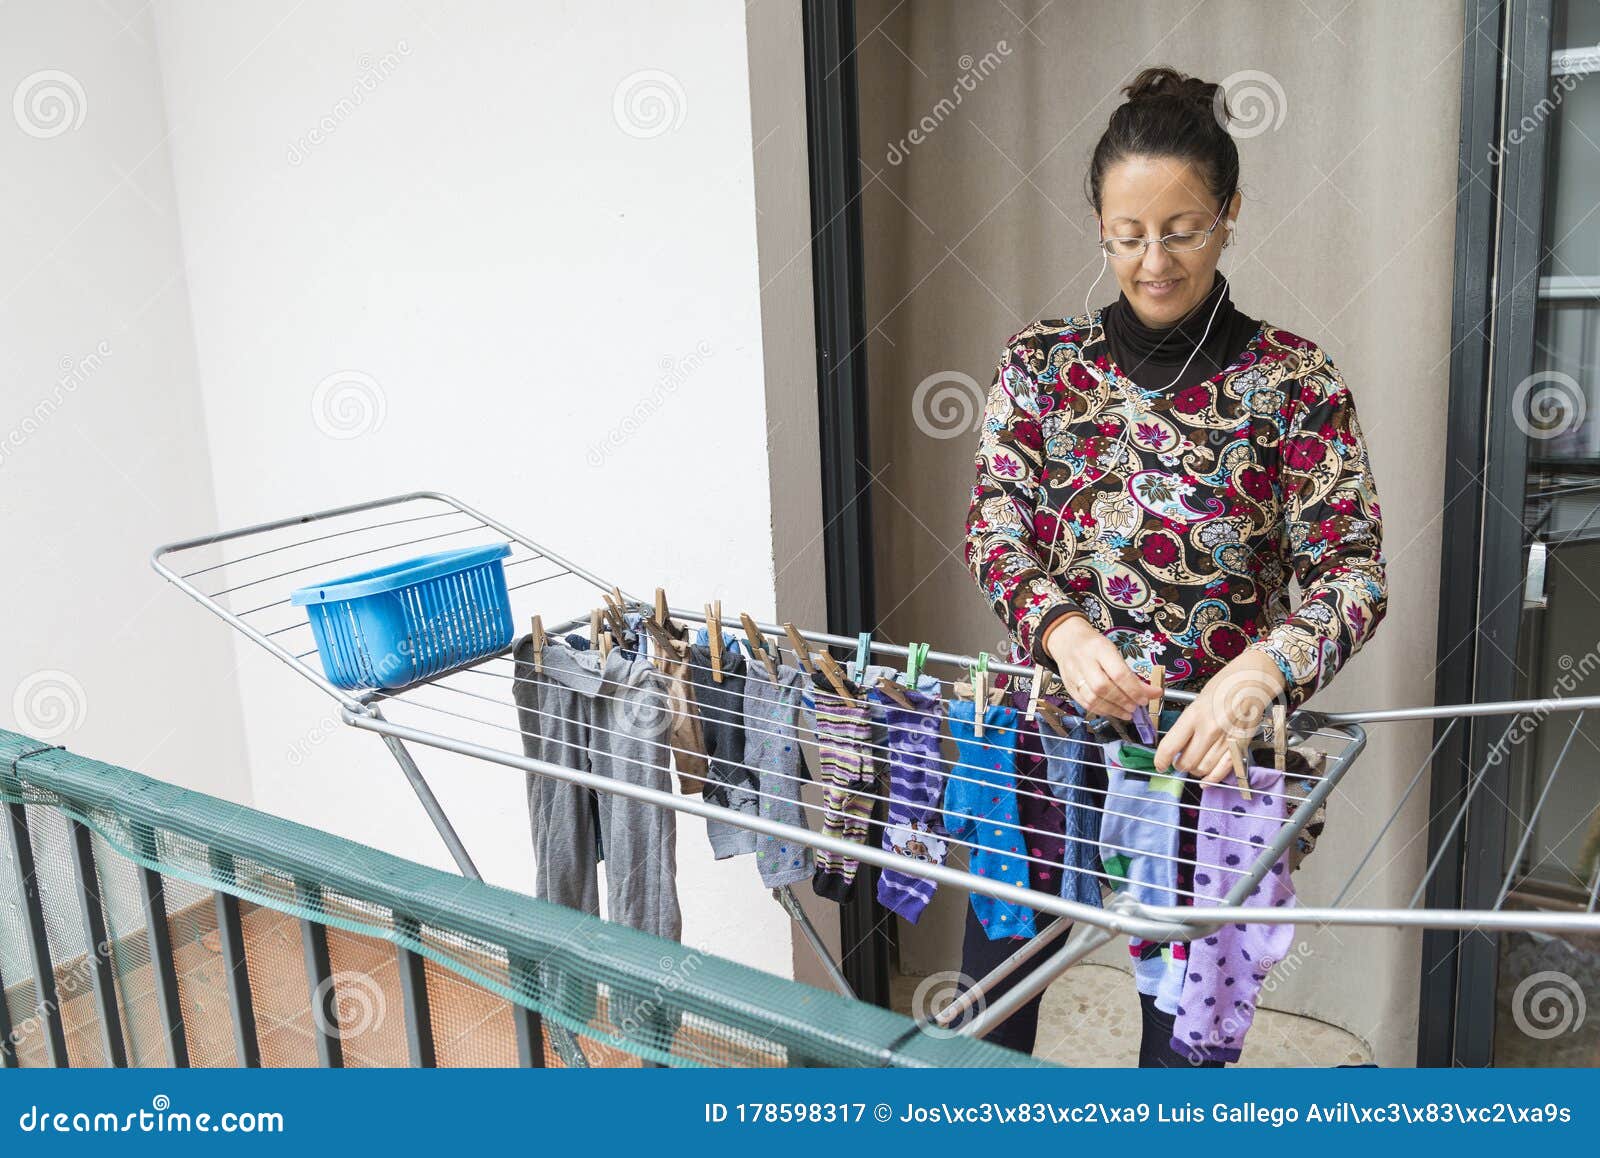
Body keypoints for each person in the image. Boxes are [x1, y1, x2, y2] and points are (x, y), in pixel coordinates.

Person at [959, 66, 1387, 1064]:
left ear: (1229, 214)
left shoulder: (1294, 381)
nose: (1153, 262)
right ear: (1099, 227)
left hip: (1213, 760)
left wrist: (1260, 673)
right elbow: (995, 529)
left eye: (1182, 229)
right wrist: (1062, 635)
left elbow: (1353, 569)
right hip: (1052, 736)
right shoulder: (1042, 364)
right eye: (1126, 235)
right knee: (987, 1016)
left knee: (1181, 1049)